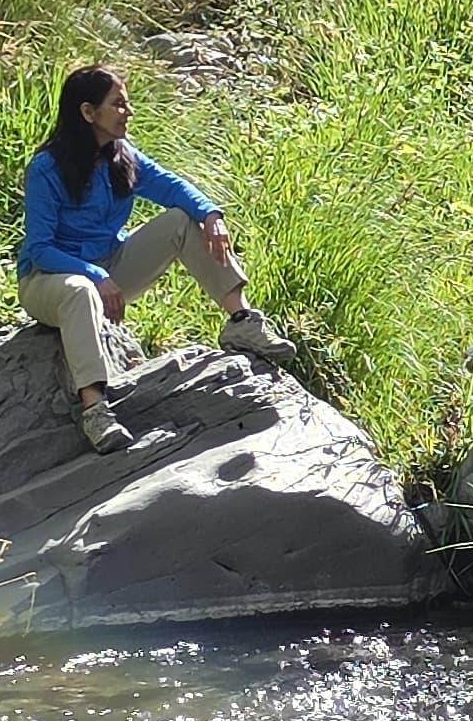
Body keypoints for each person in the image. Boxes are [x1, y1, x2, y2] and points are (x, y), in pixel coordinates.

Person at [18, 64, 292, 452]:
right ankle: (95, 411)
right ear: (87, 112)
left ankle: (241, 320)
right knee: (79, 290)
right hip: (50, 280)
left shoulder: (121, 156)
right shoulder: (46, 169)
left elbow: (172, 187)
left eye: (127, 104)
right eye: (118, 104)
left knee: (183, 220)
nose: (127, 112)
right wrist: (93, 273)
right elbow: (40, 248)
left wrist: (212, 216)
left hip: (108, 269)